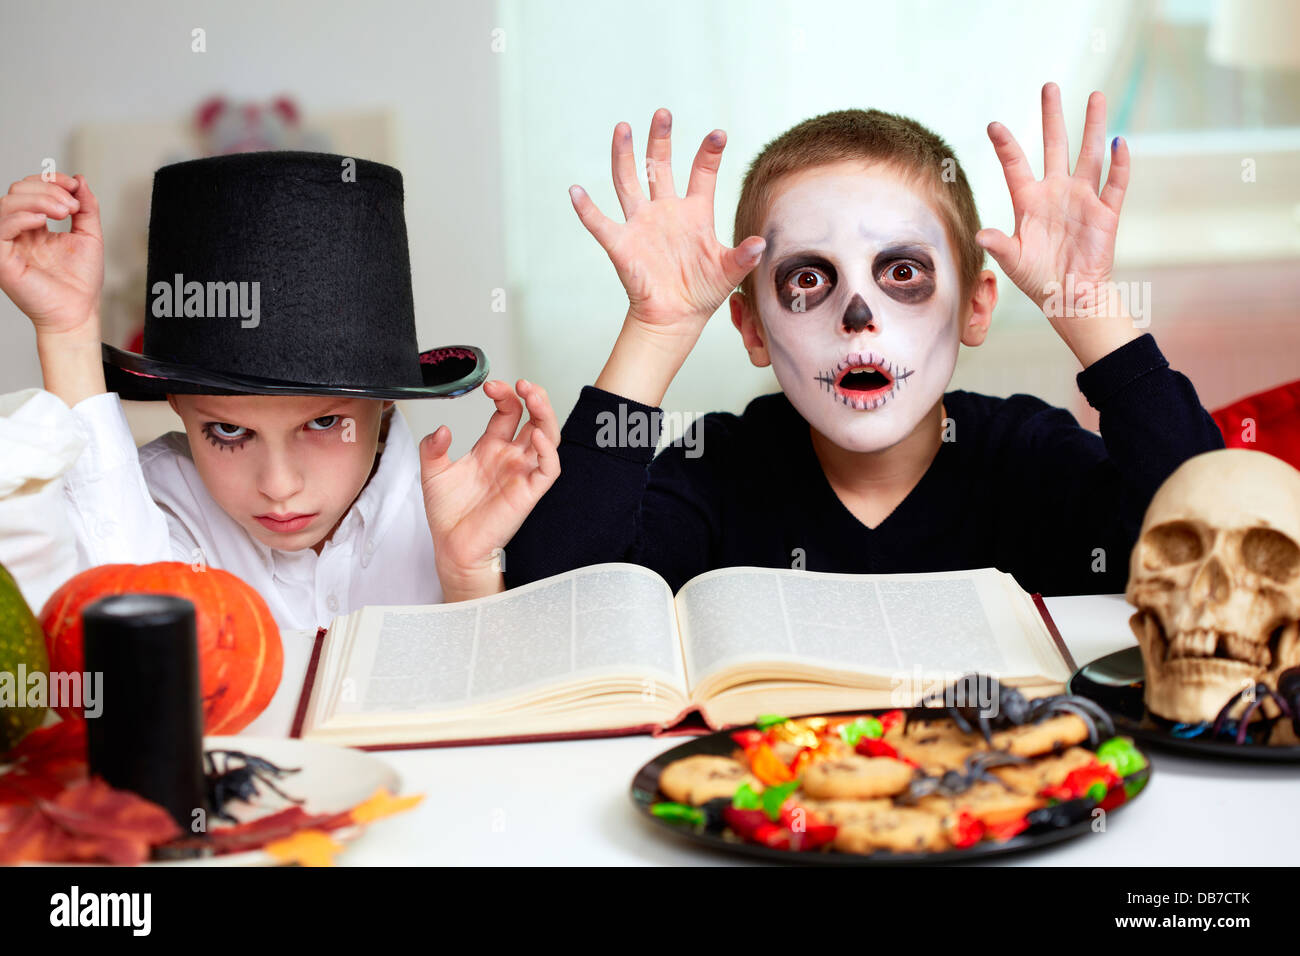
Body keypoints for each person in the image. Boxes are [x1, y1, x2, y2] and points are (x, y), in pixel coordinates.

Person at [503, 84, 1224, 596]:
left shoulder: (1027, 457)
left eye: (902, 270)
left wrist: (1092, 310)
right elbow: (560, 597)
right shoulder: (720, 469)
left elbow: (1220, 547)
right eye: (810, 279)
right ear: (753, 327)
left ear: (975, 307)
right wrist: (655, 331)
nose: (857, 315)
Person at [0, 151, 560, 627]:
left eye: (321, 423)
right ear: (177, 404)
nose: (279, 486)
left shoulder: (460, 520)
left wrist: (470, 581)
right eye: (227, 430)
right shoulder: (154, 507)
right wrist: (67, 332)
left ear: (386, 396)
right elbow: (118, 626)